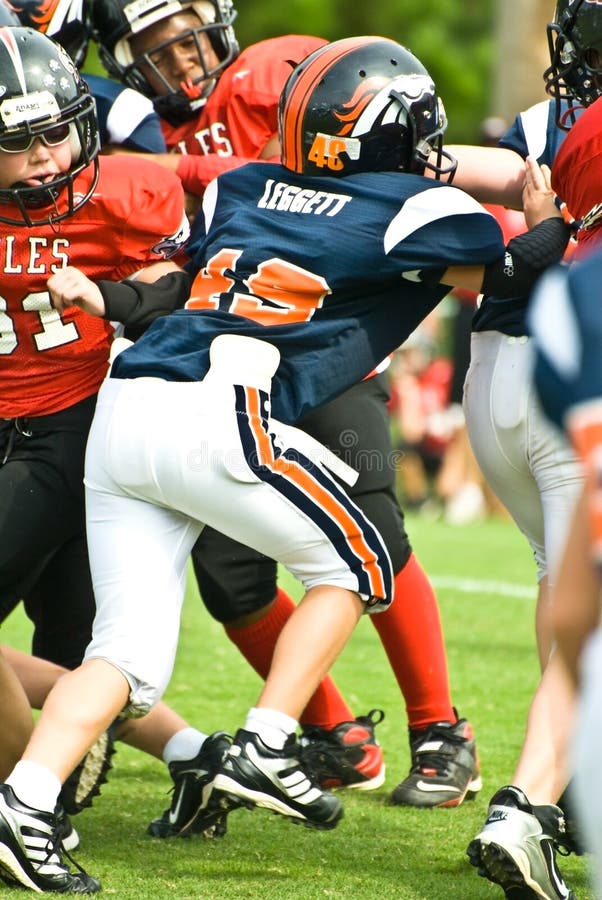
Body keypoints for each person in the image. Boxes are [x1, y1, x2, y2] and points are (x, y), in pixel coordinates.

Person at [0, 33, 571, 894]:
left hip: (122, 412)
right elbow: (512, 271)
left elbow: (172, 279)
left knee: (121, 659)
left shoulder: (244, 184)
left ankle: (25, 804)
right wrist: (551, 216)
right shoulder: (413, 209)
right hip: (216, 407)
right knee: (359, 560)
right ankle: (271, 742)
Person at [90, 0, 487, 829]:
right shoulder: (140, 132)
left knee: (373, 528)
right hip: (222, 364)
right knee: (232, 576)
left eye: (188, 37)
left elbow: (379, 175)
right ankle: (329, 734)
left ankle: (439, 728)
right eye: (158, 48)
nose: (183, 61)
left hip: (324, 337)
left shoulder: (278, 73)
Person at [0, 17, 198, 869]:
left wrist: (107, 296)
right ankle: (197, 755)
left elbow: (169, 284)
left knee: (77, 636)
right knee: (84, 647)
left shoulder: (124, 190)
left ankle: (27, 796)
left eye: (54, 133)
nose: (45, 157)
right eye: (19, 142)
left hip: (68, 430)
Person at [419, 3, 602, 898]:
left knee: (562, 584)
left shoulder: (551, 126)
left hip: (497, 372)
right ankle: (531, 801)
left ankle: (556, 787)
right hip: (574, 366)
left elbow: (464, 175)